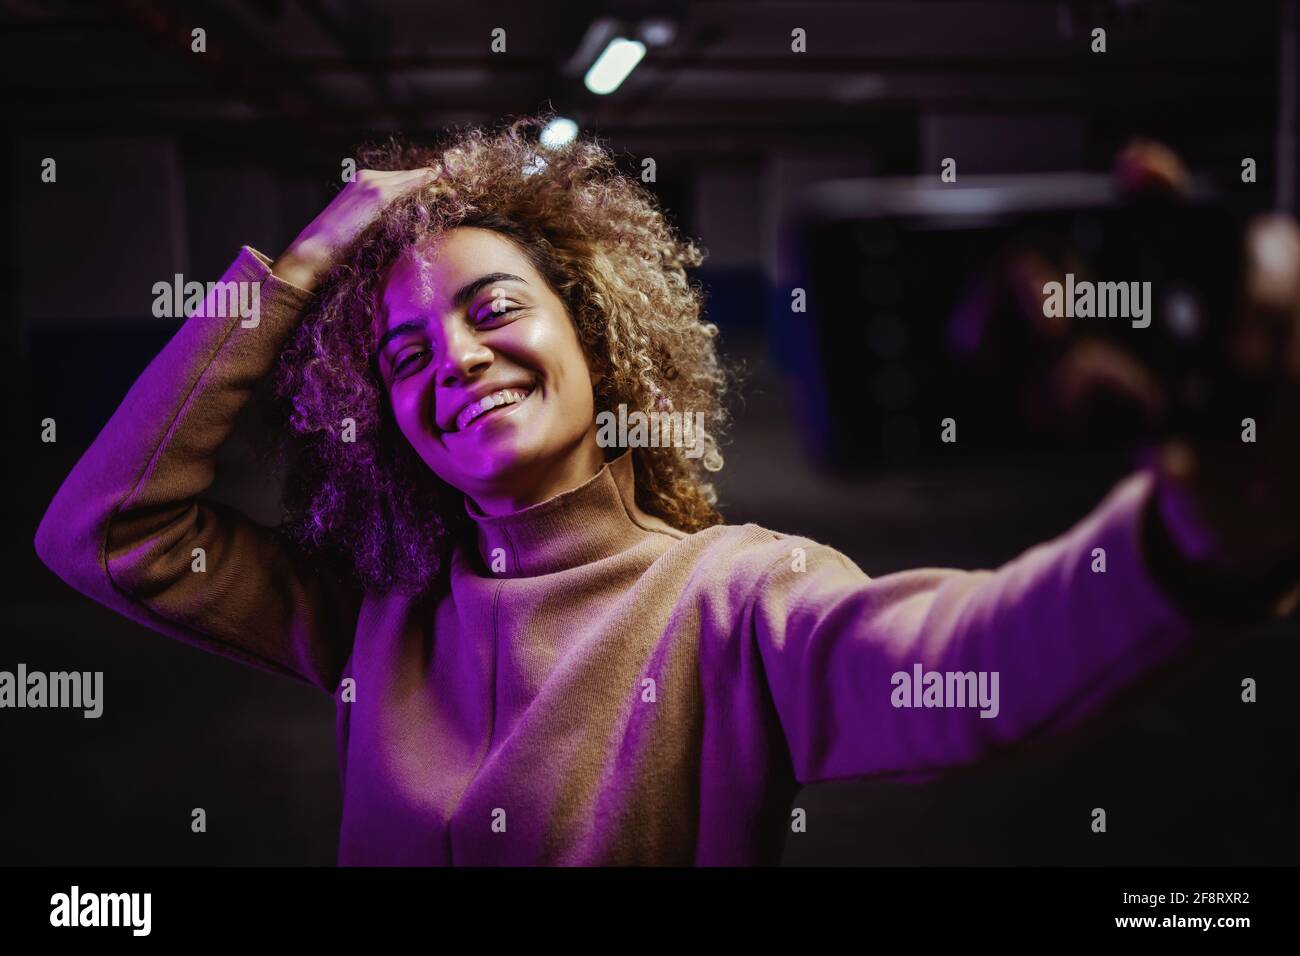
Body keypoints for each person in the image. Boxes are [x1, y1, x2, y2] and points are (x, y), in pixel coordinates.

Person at [33, 116, 1300, 865]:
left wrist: (1192, 538)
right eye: (405, 353)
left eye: (495, 309)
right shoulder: (373, 616)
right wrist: (303, 266)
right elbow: (107, 531)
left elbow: (971, 670)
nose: (455, 359)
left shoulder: (737, 597)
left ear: (593, 334)